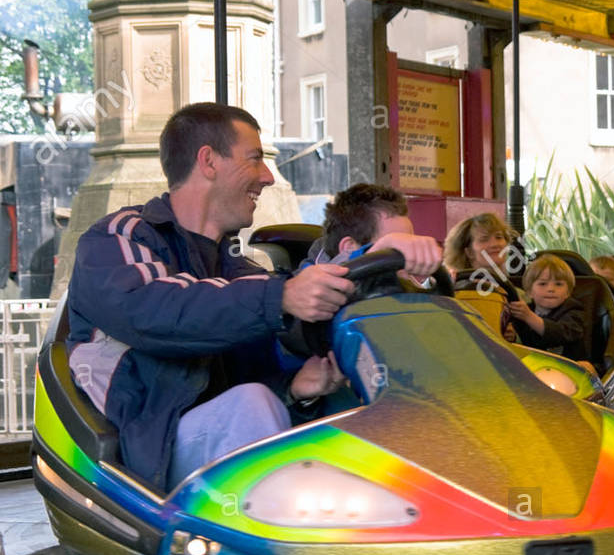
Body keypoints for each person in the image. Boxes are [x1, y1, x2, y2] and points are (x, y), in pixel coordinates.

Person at [64, 103, 431, 492]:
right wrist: (282, 297)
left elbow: (272, 318)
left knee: (342, 405)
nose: (268, 176)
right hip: (145, 457)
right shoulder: (121, 237)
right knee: (251, 404)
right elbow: (154, 309)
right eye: (254, 158)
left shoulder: (233, 266)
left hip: (205, 449)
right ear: (208, 161)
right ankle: (290, 549)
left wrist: (293, 389)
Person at [310, 182, 441, 286]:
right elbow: (341, 272)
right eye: (394, 250)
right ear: (349, 248)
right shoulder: (309, 296)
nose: (407, 258)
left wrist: (424, 280)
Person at [444, 212, 524, 341]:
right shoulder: (452, 287)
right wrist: (443, 282)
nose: (495, 244)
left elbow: (532, 339)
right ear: (469, 252)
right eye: (484, 239)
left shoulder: (519, 296)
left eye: (499, 237)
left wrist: (515, 336)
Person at [509, 254, 587, 360]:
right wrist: (513, 336)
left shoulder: (574, 311)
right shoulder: (525, 312)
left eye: (558, 284)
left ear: (568, 292)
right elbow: (523, 338)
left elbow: (561, 334)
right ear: (529, 291)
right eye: (543, 284)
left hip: (569, 367)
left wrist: (530, 317)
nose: (551, 289)